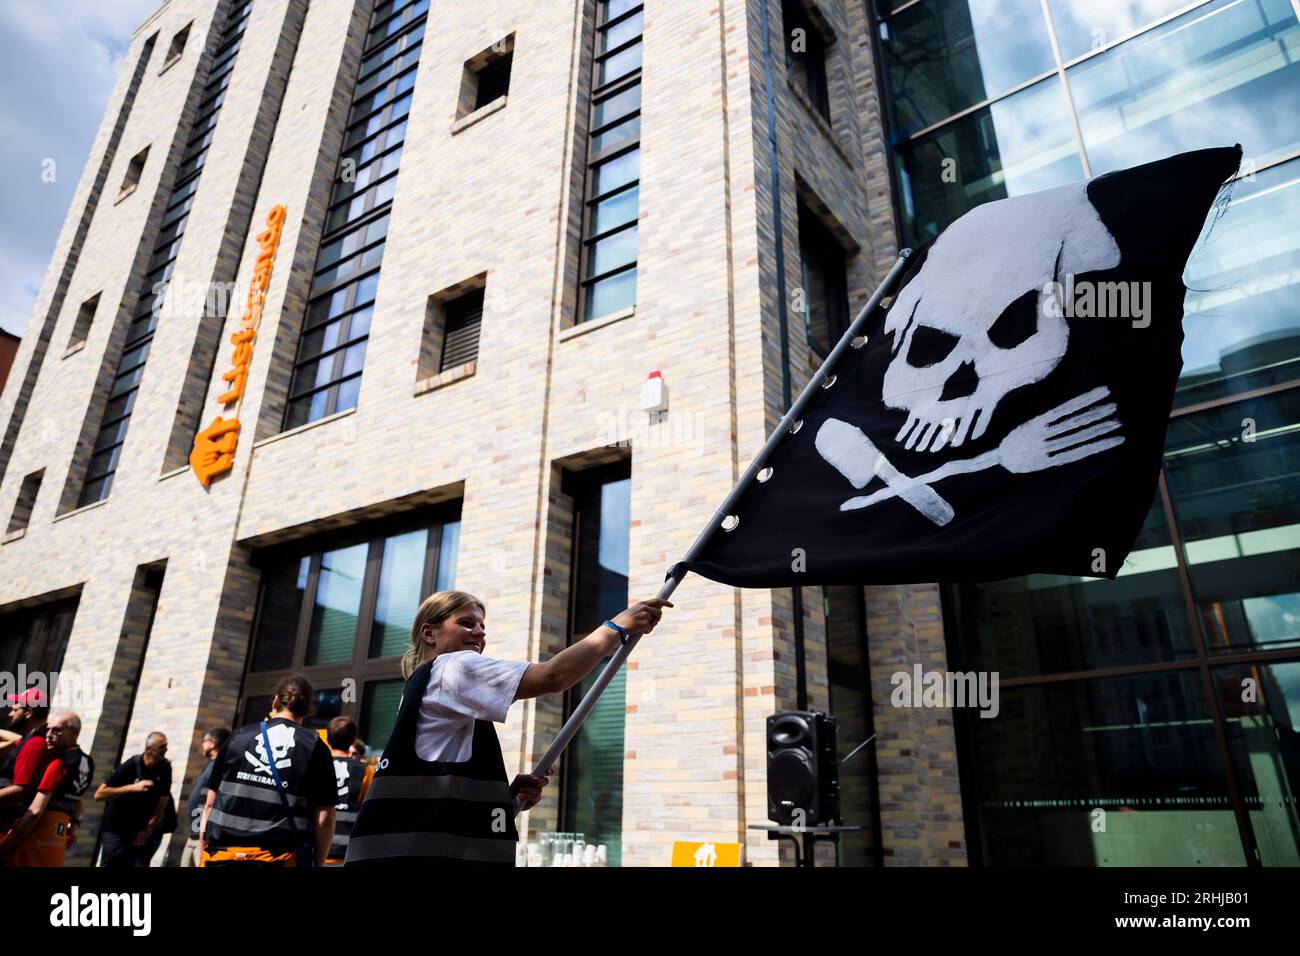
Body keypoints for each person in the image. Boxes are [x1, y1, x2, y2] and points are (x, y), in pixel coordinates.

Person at [344, 589, 670, 866]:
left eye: (482, 626)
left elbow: (435, 786)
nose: (479, 632)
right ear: (430, 633)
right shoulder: (450, 667)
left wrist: (502, 800)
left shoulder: (422, 685)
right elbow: (553, 677)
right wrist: (616, 627)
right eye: (466, 623)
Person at [199, 675, 337, 866]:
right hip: (278, 858)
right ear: (307, 709)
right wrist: (318, 863)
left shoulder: (238, 737)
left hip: (222, 855)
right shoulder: (314, 747)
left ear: (275, 701)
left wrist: (202, 851)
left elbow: (209, 805)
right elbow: (326, 817)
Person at [0, 711, 93, 867]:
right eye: (48, 729)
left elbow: (35, 812)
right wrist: (74, 827)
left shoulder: (58, 764)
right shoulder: (88, 763)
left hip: (37, 836)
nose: (49, 735)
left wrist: (8, 847)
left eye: (56, 730)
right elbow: (78, 799)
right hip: (58, 838)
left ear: (74, 733)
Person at [95, 732, 173, 867]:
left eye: (166, 746)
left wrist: (149, 829)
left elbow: (163, 800)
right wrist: (132, 788)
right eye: (162, 747)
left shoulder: (164, 768)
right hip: (117, 831)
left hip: (140, 833)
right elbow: (100, 794)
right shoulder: (131, 765)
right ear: (149, 749)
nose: (165, 750)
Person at [323, 716, 372, 865]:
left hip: (313, 849)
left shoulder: (314, 766)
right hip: (347, 853)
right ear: (352, 741)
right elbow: (368, 812)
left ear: (328, 738)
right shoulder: (366, 772)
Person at [0, 690, 50, 834]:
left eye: (15, 710)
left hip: (6, 822)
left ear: (28, 712)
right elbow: (15, 740)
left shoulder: (35, 743)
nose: (10, 714)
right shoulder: (30, 739)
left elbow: (21, 788)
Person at [179, 727, 230, 867]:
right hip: (193, 834)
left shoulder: (218, 767)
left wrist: (203, 835)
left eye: (205, 741)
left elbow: (209, 802)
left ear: (212, 743)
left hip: (201, 836)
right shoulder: (211, 764)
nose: (202, 744)